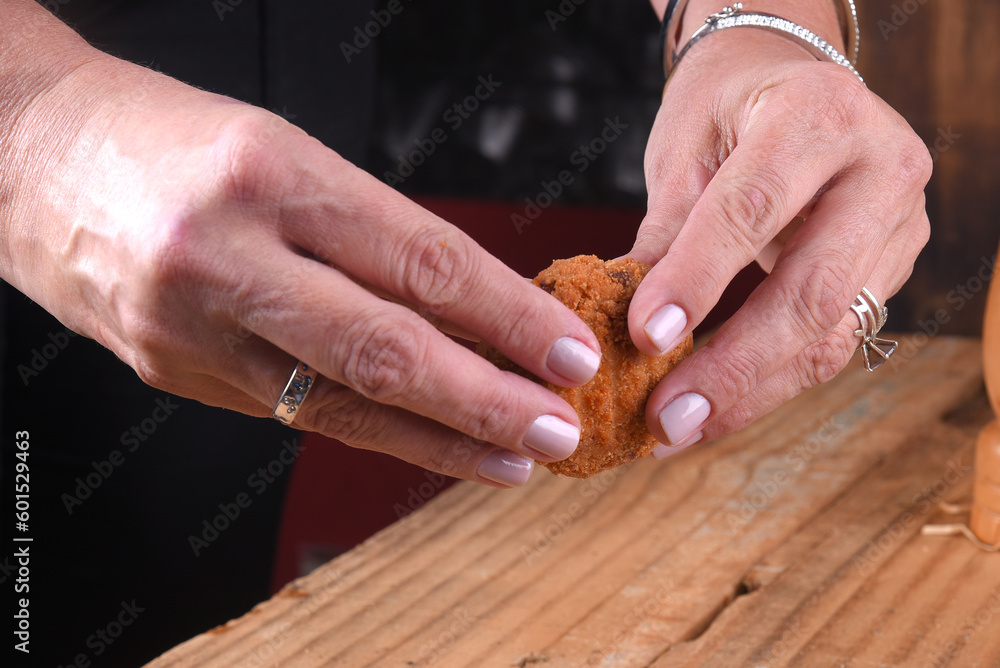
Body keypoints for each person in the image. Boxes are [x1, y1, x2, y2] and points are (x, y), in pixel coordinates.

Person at [0, 0, 930, 662]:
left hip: (283, 161)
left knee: (183, 604)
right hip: (57, 148)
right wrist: (35, 135)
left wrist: (757, 24)